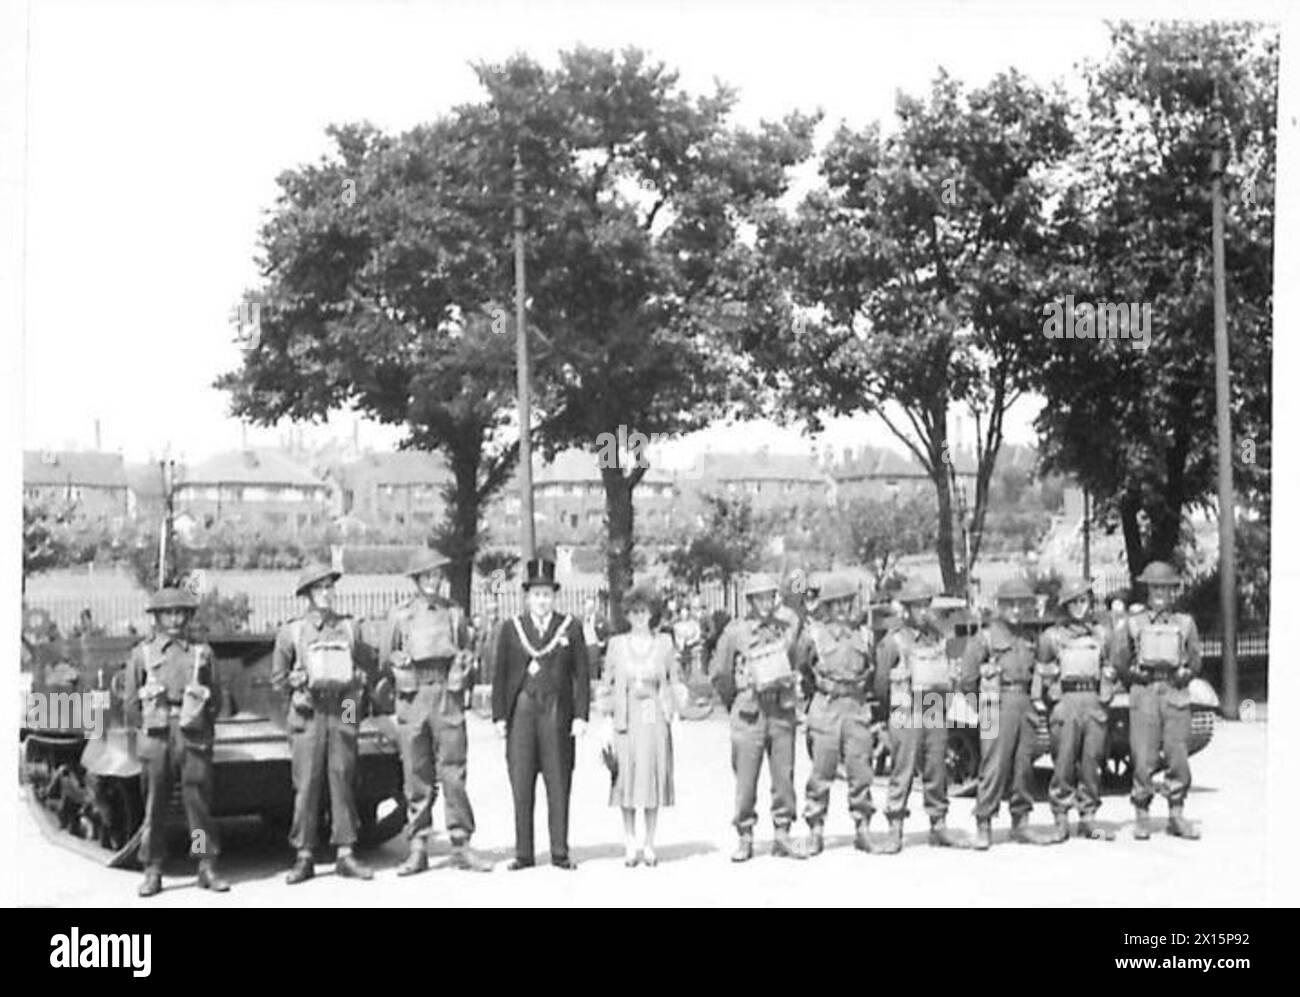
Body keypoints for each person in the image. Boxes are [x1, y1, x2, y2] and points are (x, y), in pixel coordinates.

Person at [384, 549, 491, 875]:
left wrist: (464, 662)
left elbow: (466, 649)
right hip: (413, 696)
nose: (433, 582)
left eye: (436, 576)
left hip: (447, 693)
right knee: (416, 774)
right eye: (426, 576)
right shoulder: (400, 616)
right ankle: (417, 846)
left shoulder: (454, 614)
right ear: (416, 580)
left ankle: (461, 842)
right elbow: (385, 658)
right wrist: (398, 666)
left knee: (454, 771)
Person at [271, 563, 374, 884]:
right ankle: (304, 854)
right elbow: (277, 680)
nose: (327, 594)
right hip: (308, 714)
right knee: (307, 786)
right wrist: (295, 677)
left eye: (330, 587)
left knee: (343, 780)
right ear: (307, 595)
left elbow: (365, 671)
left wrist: (353, 704)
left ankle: (346, 851)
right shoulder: (292, 632)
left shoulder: (349, 628)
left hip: (341, 709)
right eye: (319, 589)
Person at [125, 586, 228, 897]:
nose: (174, 619)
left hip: (192, 733)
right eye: (167, 613)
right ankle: (153, 868)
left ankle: (204, 864)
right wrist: (146, 730)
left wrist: (201, 726)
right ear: (156, 618)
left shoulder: (202, 653)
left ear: (188, 616)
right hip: (157, 734)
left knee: (197, 805)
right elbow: (130, 703)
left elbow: (217, 699)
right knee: (155, 805)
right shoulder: (142, 654)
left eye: (180, 612)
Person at [492, 557, 591, 870]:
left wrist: (581, 715)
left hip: (556, 710)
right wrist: (499, 716)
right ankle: (524, 852)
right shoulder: (511, 629)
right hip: (521, 709)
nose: (541, 600)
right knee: (521, 781)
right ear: (526, 597)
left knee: (558, 778)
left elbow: (583, 675)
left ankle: (560, 851)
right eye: (536, 595)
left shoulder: (570, 627)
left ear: (554, 596)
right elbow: (499, 675)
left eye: (546, 594)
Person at [710, 573, 808, 862]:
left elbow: (800, 658)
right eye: (759, 597)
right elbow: (721, 673)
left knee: (784, 775)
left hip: (781, 709)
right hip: (749, 710)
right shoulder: (735, 632)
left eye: (769, 596)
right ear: (750, 600)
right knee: (746, 778)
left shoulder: (787, 626)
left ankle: (782, 832)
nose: (765, 603)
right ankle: (745, 835)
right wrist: (735, 701)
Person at [960, 577, 1057, 849]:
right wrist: (982, 708)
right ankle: (984, 823)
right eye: (1010, 605)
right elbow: (967, 681)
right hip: (994, 704)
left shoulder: (1028, 638)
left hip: (1024, 702)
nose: (1016, 610)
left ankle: (1021, 822)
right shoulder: (985, 638)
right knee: (993, 766)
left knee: (1023, 765)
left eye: (1021, 605)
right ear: (999, 606)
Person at [874, 582, 967, 852]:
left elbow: (952, 674)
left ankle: (938, 825)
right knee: (902, 770)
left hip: (934, 709)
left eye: (927, 605)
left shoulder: (939, 638)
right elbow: (881, 683)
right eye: (918, 606)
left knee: (937, 768)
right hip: (907, 710)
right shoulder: (894, 641)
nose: (924, 611)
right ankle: (895, 827)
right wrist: (889, 713)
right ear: (906, 610)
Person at [1118, 560, 1202, 840]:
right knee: (1143, 755)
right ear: (1147, 589)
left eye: (1164, 588)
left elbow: (1196, 659)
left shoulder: (1185, 623)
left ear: (1172, 591)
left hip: (1175, 693)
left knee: (1177, 754)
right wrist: (1135, 677)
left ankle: (1176, 813)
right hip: (1145, 693)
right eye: (1154, 587)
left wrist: (1185, 673)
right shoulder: (1133, 624)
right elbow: (1120, 660)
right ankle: (1142, 813)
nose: (1159, 593)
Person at [1037, 578, 1123, 842]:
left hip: (1093, 701)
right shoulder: (1052, 637)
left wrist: (1105, 694)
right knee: (1063, 761)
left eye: (1083, 601)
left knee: (1091, 761)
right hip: (1066, 702)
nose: (1078, 607)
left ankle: (1088, 816)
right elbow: (1044, 670)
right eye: (1072, 602)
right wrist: (1054, 698)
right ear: (1064, 605)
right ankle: (1061, 817)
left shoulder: (1102, 634)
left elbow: (1114, 665)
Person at [603, 583, 679, 866]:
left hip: (654, 719)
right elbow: (607, 685)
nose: (638, 616)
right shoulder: (616, 645)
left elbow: (673, 681)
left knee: (651, 778)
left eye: (643, 611)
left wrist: (675, 716)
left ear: (652, 614)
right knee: (626, 779)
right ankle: (629, 842)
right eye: (634, 611)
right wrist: (606, 721)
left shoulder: (664, 644)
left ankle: (650, 842)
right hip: (626, 719)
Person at [800, 576, 875, 855]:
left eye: (847, 602)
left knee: (860, 770)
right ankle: (816, 829)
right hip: (827, 706)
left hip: (855, 706)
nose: (843, 608)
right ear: (827, 607)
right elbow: (803, 666)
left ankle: (863, 827)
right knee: (822, 769)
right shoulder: (814, 635)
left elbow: (873, 672)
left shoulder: (864, 635)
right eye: (836, 603)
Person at [581, 596, 610, 680]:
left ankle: (594, 682)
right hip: (583, 646)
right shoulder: (579, 619)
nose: (590, 609)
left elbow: (610, 633)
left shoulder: (600, 618)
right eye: (588, 606)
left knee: (593, 667)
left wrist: (603, 642)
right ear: (584, 607)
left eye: (591, 607)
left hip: (594, 645)